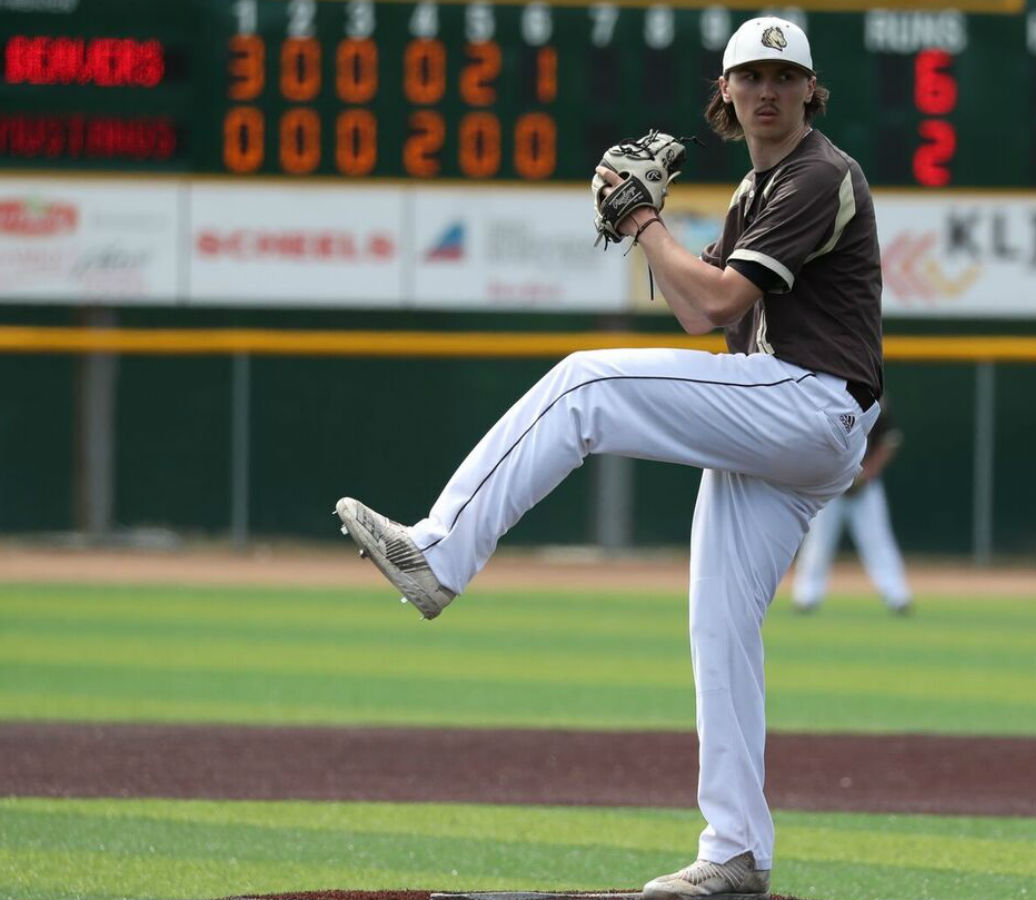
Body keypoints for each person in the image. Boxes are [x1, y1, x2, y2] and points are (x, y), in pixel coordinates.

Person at [333, 15, 879, 900]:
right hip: (790, 420)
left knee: (585, 383)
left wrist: (641, 220)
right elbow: (695, 303)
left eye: (785, 77)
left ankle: (438, 553)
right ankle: (736, 851)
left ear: (811, 90)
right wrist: (648, 227)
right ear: (728, 94)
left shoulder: (817, 173)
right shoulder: (756, 189)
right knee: (720, 627)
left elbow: (707, 309)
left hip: (807, 401)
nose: (769, 91)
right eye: (752, 77)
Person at [790, 399, 913, 615]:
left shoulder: (873, 396)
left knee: (877, 541)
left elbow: (889, 441)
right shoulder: (826, 395)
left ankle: (897, 596)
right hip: (832, 484)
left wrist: (868, 473)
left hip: (865, 487)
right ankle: (806, 596)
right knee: (819, 542)